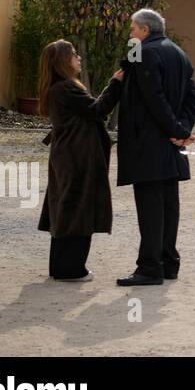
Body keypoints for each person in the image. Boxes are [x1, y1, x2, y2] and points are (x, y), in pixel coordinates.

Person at [115, 8, 195, 287]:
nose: (130, 34)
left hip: (149, 142)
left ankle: (150, 267)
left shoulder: (146, 53)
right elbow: (190, 99)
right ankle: (168, 263)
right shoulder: (178, 52)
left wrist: (176, 131)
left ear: (145, 30)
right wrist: (182, 131)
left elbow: (153, 98)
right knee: (168, 205)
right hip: (169, 143)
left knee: (151, 207)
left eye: (133, 29)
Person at [37, 40, 124, 282]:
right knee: (78, 207)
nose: (78, 58)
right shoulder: (65, 88)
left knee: (66, 205)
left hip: (68, 154)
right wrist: (115, 83)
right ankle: (72, 269)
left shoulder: (59, 87)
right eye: (74, 54)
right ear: (63, 61)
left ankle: (62, 267)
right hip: (76, 156)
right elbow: (97, 109)